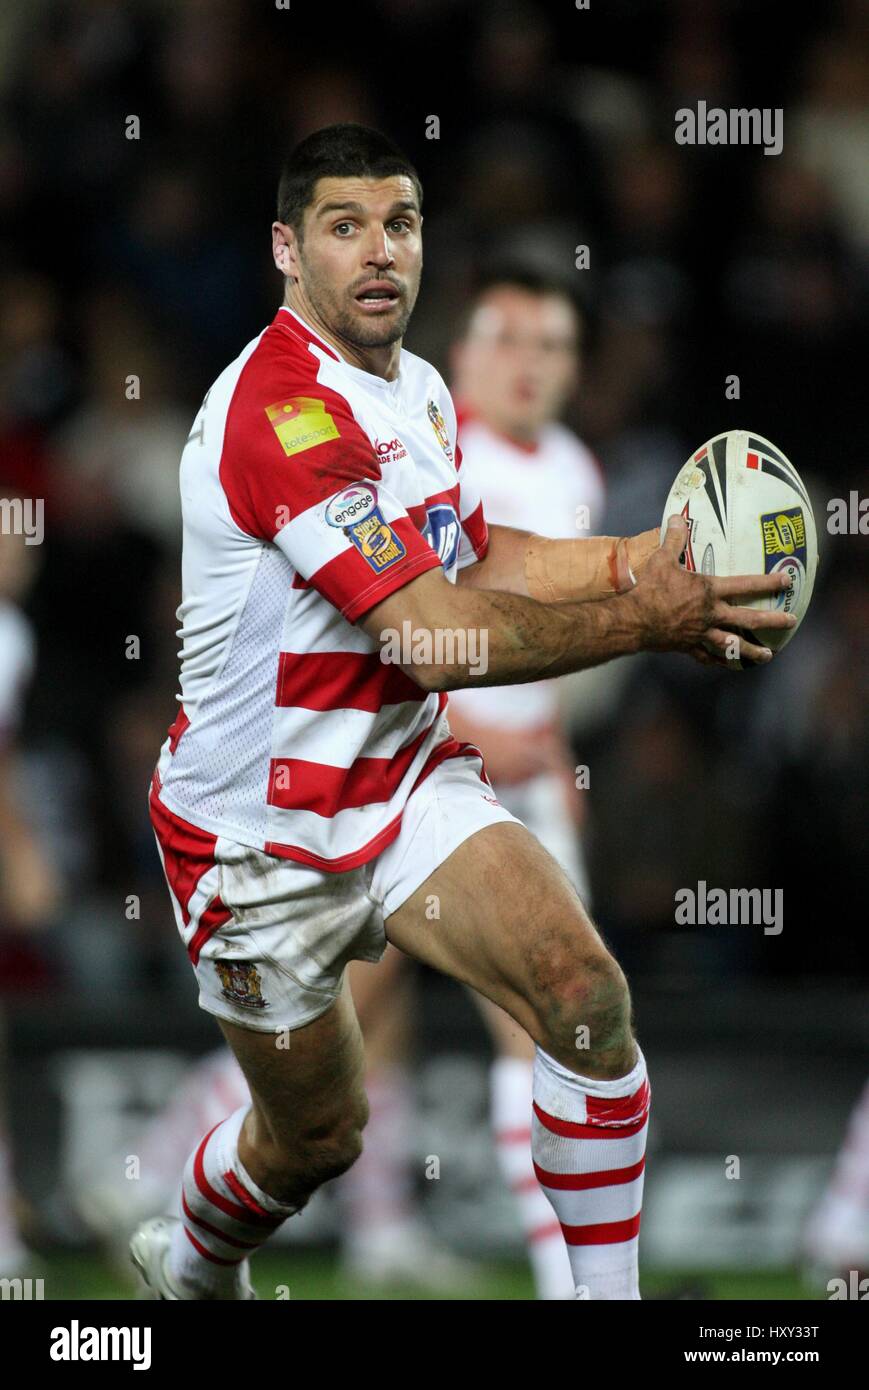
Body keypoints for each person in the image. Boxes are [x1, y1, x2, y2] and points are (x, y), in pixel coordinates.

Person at [130, 122, 794, 1302]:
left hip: (399, 782)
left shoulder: (419, 391)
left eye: (400, 222)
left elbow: (477, 553)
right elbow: (436, 633)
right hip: (255, 843)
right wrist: (658, 617)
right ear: (288, 249)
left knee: (581, 994)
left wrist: (636, 560)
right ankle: (185, 1265)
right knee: (314, 1139)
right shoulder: (279, 416)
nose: (379, 251)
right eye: (344, 226)